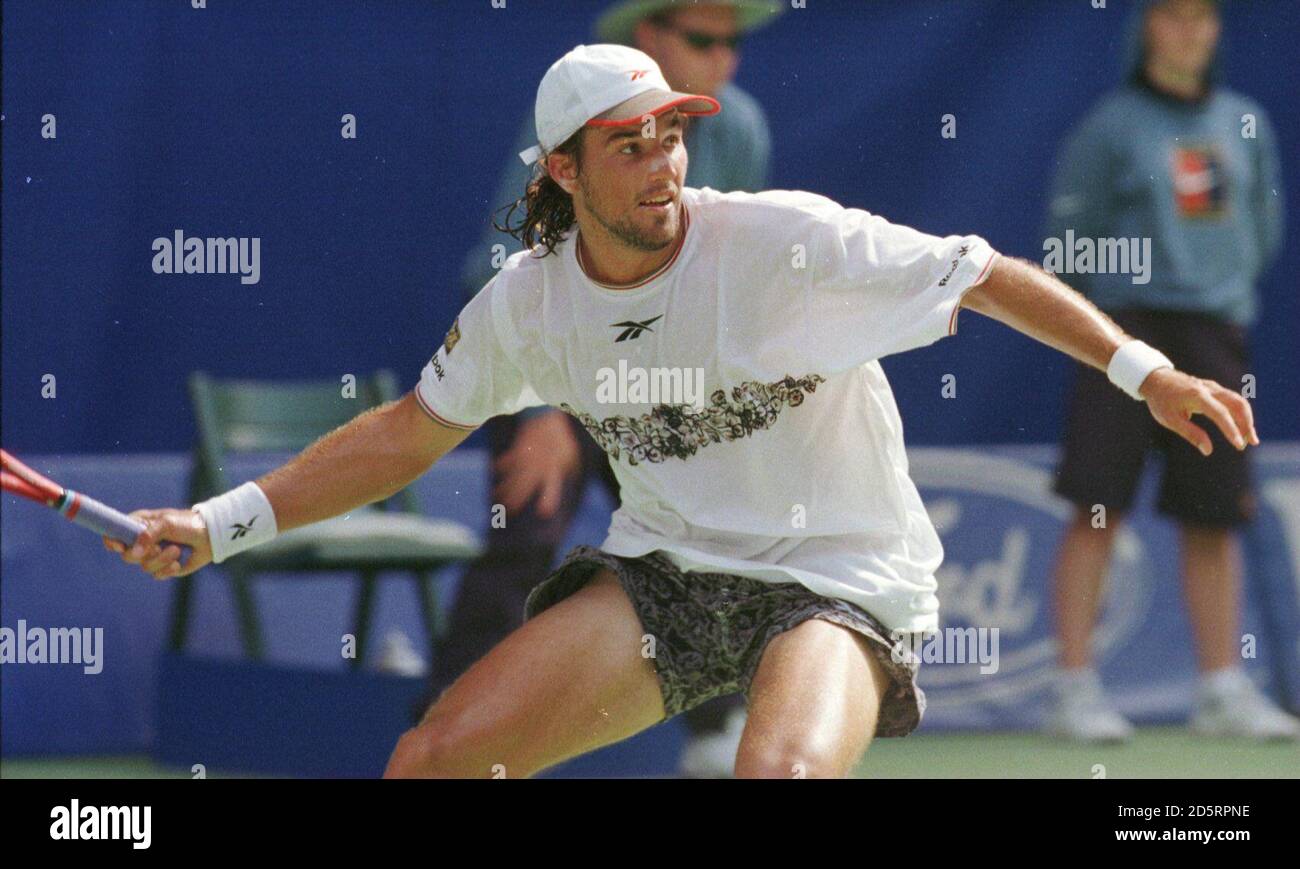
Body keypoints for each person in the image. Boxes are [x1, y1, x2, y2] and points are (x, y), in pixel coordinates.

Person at [108, 43, 1259, 779]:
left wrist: (1141, 370)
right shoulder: (529, 305)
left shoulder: (785, 243)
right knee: (432, 760)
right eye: (627, 143)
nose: (661, 160)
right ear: (562, 172)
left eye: (670, 132)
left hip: (843, 573)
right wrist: (220, 523)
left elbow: (983, 271)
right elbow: (410, 430)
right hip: (671, 572)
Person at [434, 0, 780, 778]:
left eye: (732, 41)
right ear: (648, 36)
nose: (724, 57)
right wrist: (544, 407)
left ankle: (713, 730)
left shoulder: (743, 127)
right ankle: (443, 724)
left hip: (662, 381)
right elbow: (516, 275)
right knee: (526, 527)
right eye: (703, 38)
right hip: (548, 361)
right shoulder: (573, 122)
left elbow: (726, 282)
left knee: (715, 534)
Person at [1044, 0, 1296, 743]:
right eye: (1174, 15)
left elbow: (1263, 225)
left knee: (1214, 514)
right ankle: (1073, 687)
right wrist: (1108, 330)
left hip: (1215, 332)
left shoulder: (1245, 120)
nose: (1190, 30)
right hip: (1126, 336)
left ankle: (1220, 687)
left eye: (1203, 17)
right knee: (1097, 505)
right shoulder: (1111, 125)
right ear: (1146, 28)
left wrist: (1218, 291)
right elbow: (1068, 236)